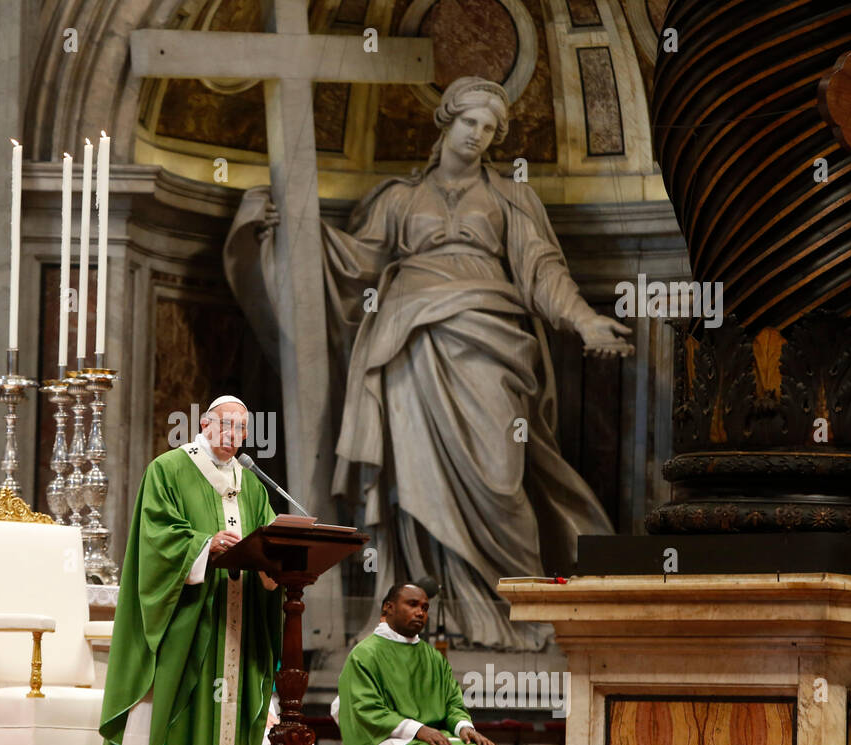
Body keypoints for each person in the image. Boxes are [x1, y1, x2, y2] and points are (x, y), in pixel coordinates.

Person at [227, 77, 632, 651]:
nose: (478, 135)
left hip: (489, 341)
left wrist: (585, 321)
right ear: (446, 122)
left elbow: (542, 272)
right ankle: (431, 614)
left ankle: (513, 603)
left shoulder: (510, 198)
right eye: (470, 122)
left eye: (490, 128)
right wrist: (292, 230)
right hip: (406, 344)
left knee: (499, 476)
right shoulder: (397, 198)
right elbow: (355, 263)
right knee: (412, 484)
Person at [98, 396, 287, 745]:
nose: (233, 437)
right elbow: (157, 538)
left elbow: (271, 538)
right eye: (226, 426)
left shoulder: (250, 483)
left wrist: (281, 563)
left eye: (241, 430)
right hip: (186, 618)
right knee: (171, 695)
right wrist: (204, 545)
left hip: (236, 624)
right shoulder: (168, 469)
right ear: (204, 424)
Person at [337, 583, 515, 745]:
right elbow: (365, 710)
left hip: (432, 738)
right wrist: (418, 729)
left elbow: (453, 702)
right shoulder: (365, 654)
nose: (420, 612)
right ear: (388, 608)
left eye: (425, 607)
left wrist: (465, 728)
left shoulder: (433, 657)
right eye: (412, 604)